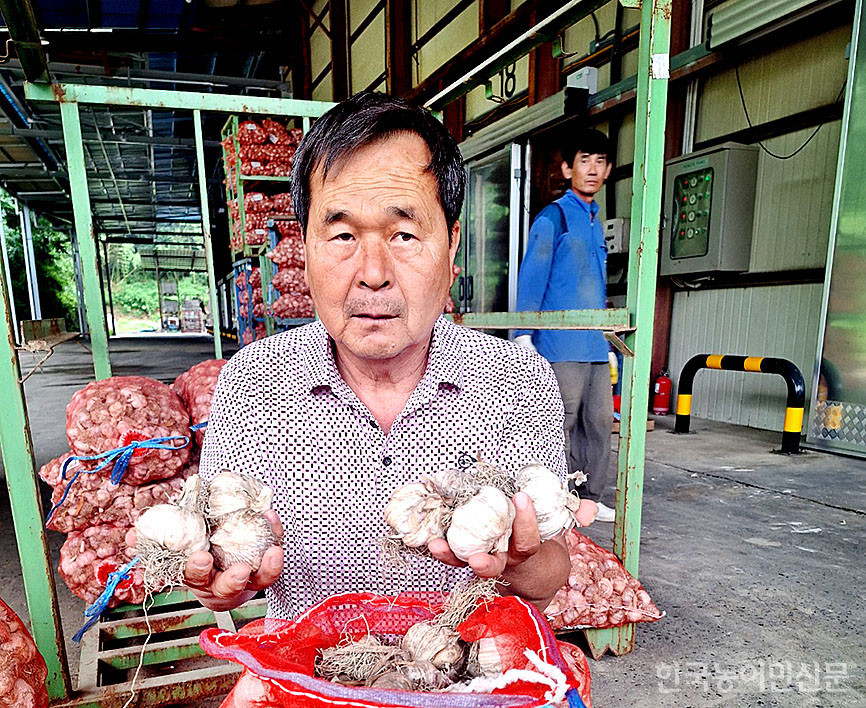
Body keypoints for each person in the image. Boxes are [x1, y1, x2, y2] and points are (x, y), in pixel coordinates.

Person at [171, 92, 598, 619]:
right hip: (311, 678)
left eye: (404, 233)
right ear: (304, 251)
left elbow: (549, 576)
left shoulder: (514, 379)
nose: (373, 272)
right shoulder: (253, 381)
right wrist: (223, 586)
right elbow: (227, 556)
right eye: (344, 234)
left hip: (463, 682)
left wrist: (514, 561)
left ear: (451, 247)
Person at [514, 129, 616, 523]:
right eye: (584, 160)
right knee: (560, 420)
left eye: (600, 162)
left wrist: (607, 338)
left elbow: (595, 285)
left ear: (607, 171)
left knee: (600, 422)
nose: (592, 169)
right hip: (558, 343)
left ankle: (590, 497)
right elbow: (533, 273)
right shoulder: (554, 217)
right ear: (567, 167)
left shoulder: (594, 221)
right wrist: (523, 332)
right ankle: (554, 498)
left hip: (593, 344)